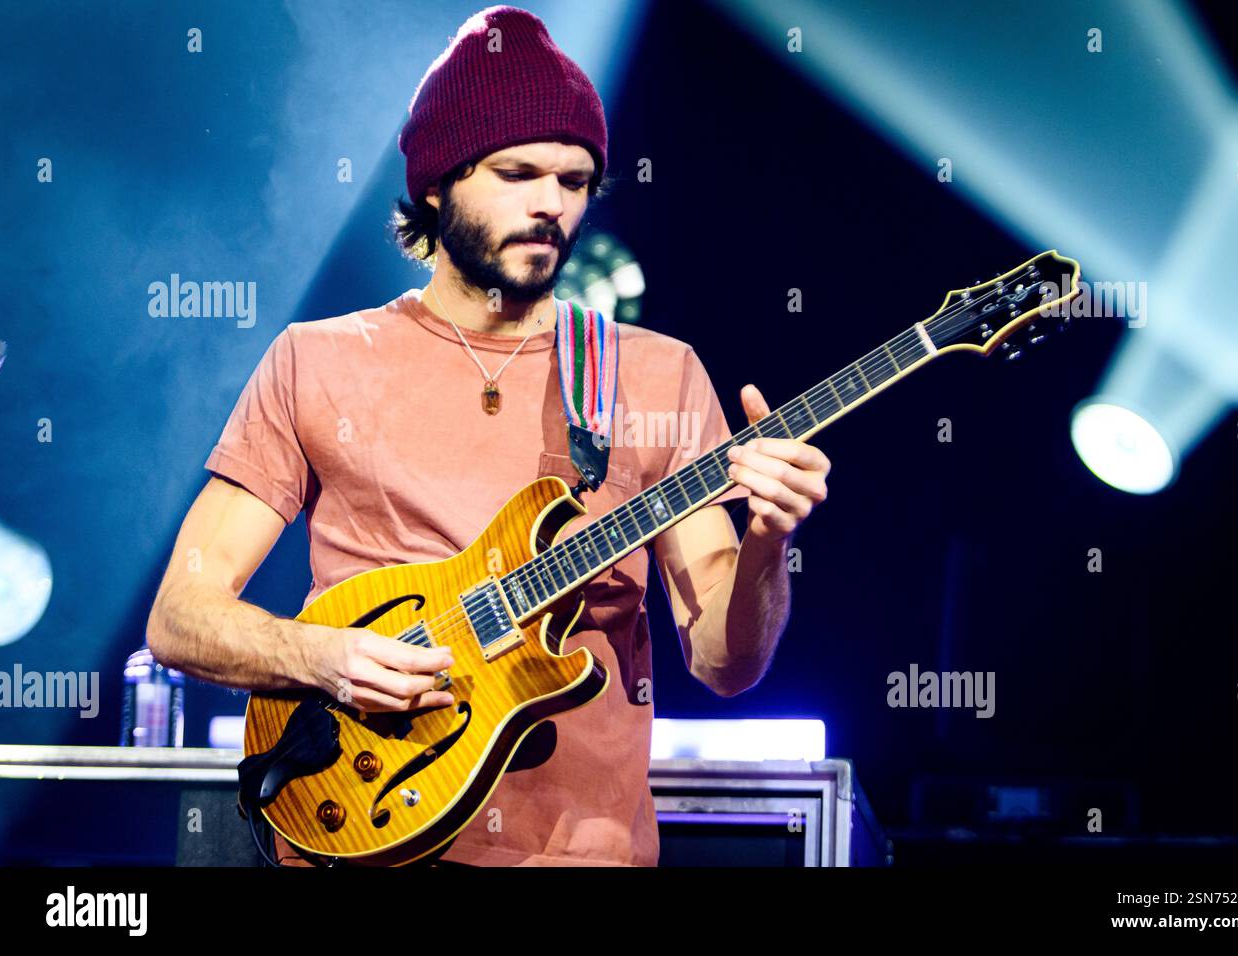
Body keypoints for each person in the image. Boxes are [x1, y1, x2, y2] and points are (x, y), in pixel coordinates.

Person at [146, 4, 830, 867]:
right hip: (360, 826)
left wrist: (770, 541)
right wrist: (316, 656)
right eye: (519, 172)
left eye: (576, 181)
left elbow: (726, 665)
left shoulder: (657, 375)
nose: (552, 204)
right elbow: (180, 617)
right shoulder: (314, 360)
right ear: (438, 180)